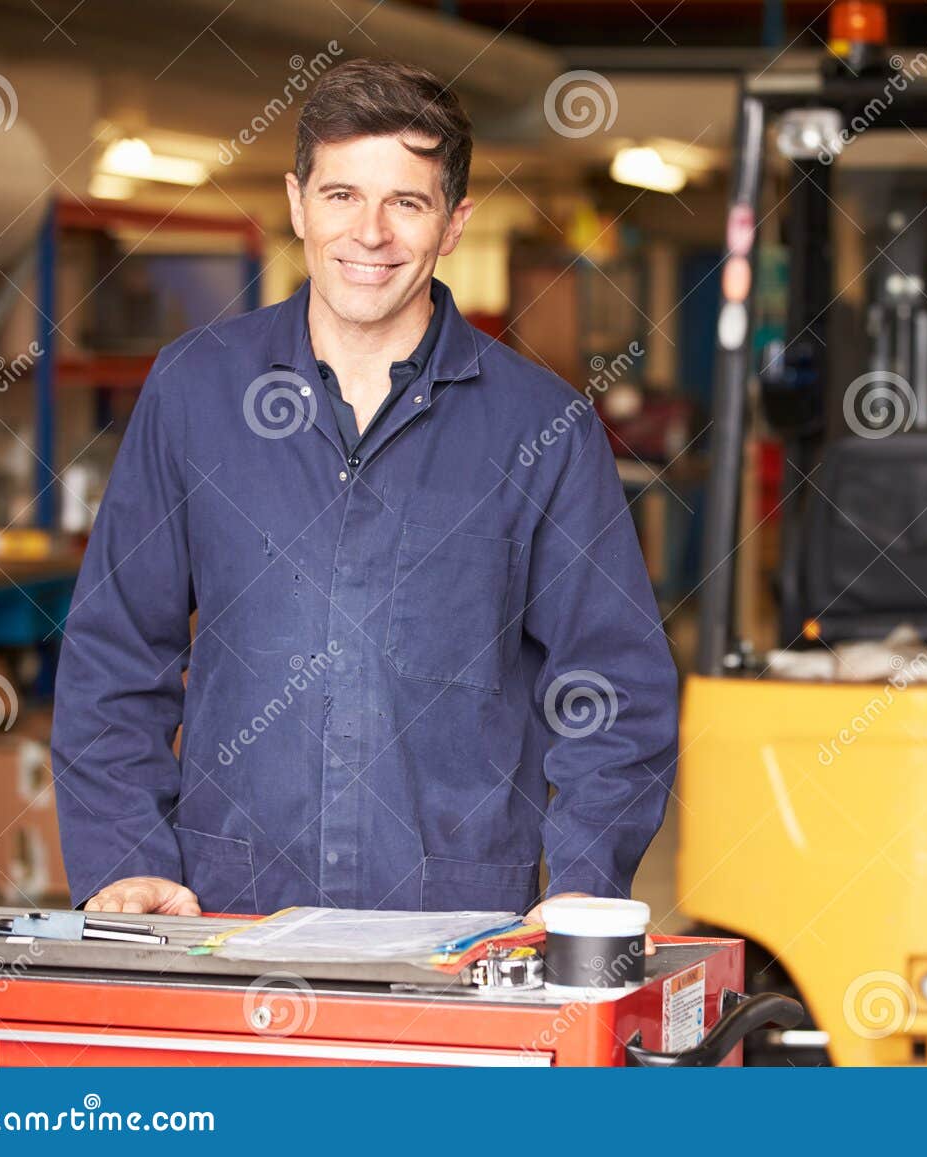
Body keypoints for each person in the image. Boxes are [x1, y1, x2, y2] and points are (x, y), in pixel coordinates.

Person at [52, 59, 677, 925]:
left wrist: (581, 883)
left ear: (454, 222)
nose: (370, 233)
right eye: (342, 195)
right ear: (298, 202)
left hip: (456, 928)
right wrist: (127, 856)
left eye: (407, 203)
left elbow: (614, 684)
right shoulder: (196, 391)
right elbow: (115, 653)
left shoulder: (541, 429)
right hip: (230, 916)